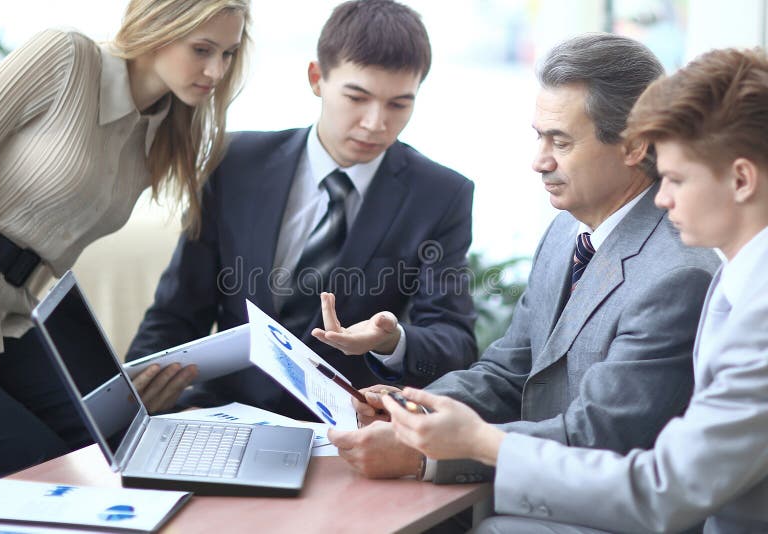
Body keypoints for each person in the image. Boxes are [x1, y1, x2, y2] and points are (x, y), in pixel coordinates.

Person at [386, 46, 768, 534]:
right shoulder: (573, 233)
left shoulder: (710, 286)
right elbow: (511, 368)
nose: (663, 195)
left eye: (674, 177)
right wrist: (413, 408)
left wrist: (471, 444)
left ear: (740, 179)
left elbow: (657, 481)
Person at [328, 33, 721, 482]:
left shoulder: (677, 275)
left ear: (635, 145)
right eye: (539, 137)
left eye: (561, 142)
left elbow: (600, 435)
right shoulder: (564, 232)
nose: (539, 161)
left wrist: (425, 456)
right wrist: (411, 408)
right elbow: (508, 371)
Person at [126, 0, 477, 420]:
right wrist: (128, 407)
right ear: (316, 78)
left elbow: (455, 341)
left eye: (399, 104)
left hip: (349, 431)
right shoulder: (234, 162)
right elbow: (178, 310)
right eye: (357, 96)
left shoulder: (441, 195)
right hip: (222, 413)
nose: (375, 123)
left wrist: (392, 340)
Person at [0, 0, 251, 476]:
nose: (216, 70)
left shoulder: (163, 134)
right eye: (202, 49)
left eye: (227, 54)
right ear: (158, 26)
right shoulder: (64, 55)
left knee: (114, 453)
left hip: (7, 320)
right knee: (43, 471)